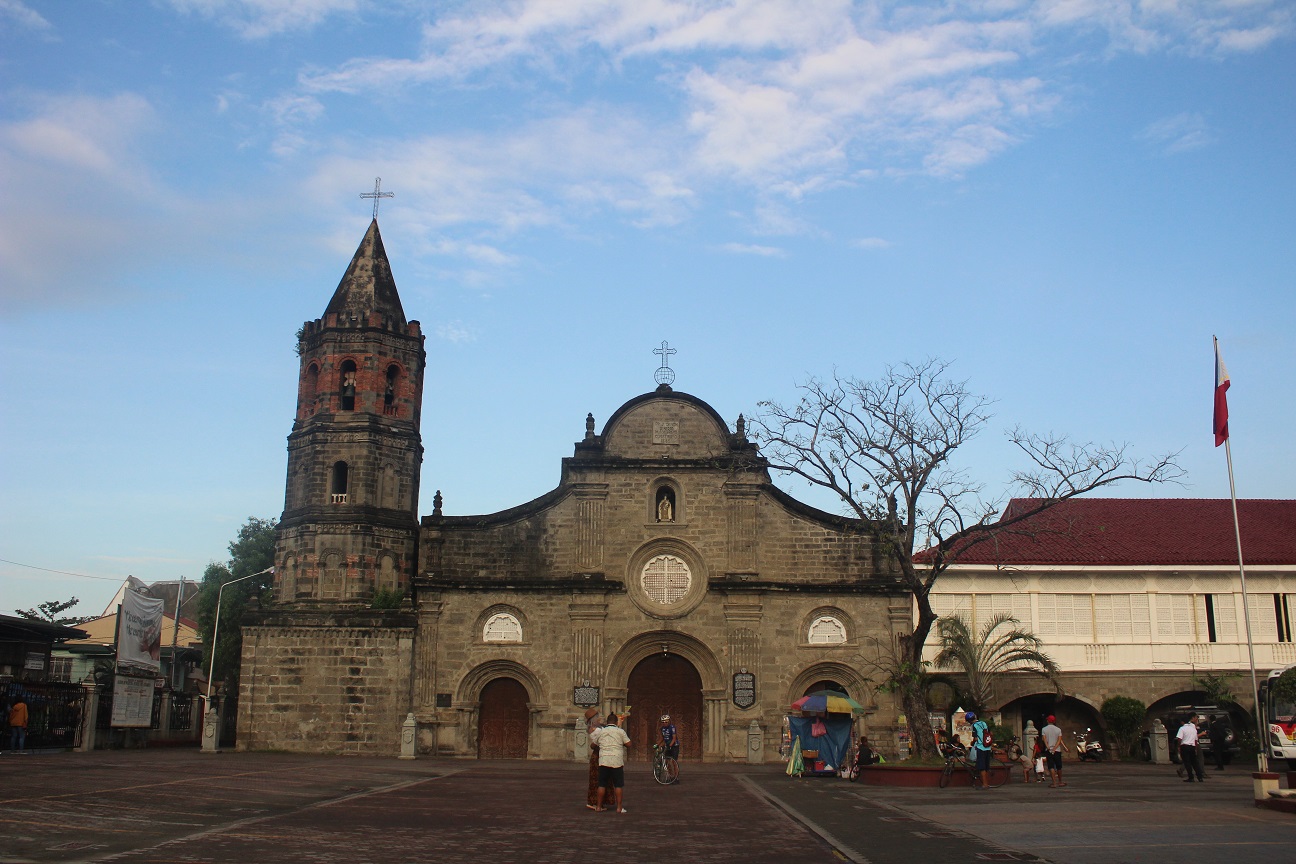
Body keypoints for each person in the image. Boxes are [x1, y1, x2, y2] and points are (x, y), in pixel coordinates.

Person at [591, 711, 631, 814]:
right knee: (618, 785)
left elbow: (593, 745)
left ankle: (598, 807)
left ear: (607, 721)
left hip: (604, 760)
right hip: (616, 761)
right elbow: (629, 744)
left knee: (602, 784)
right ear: (616, 722)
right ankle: (619, 808)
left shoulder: (602, 732)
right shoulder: (620, 732)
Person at [967, 711, 992, 789]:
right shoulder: (984, 723)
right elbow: (990, 732)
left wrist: (972, 742)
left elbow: (975, 738)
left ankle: (984, 784)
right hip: (988, 747)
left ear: (969, 721)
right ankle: (987, 783)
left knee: (982, 767)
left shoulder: (974, 725)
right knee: (986, 766)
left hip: (981, 747)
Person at [584, 708, 602, 810]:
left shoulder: (591, 728)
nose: (599, 718)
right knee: (599, 779)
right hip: (599, 755)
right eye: (597, 716)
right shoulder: (597, 730)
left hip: (595, 755)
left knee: (594, 779)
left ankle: (592, 801)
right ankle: (596, 802)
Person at [1177, 714, 1204, 783]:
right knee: (1195, 762)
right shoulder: (1193, 729)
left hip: (1185, 746)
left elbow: (1179, 738)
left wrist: (1179, 746)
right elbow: (1195, 739)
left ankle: (1191, 777)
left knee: (1187, 762)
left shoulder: (1182, 728)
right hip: (1192, 746)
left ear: (1182, 722)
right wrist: (1195, 748)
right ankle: (1200, 776)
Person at [1042, 714, 1066, 788]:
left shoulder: (1044, 729)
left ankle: (1054, 783)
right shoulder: (1058, 729)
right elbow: (1059, 740)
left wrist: (1048, 747)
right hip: (1057, 750)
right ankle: (1060, 781)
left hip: (1048, 750)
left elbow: (1044, 739)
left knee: (1051, 766)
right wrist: (1055, 748)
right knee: (1059, 766)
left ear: (1048, 721)